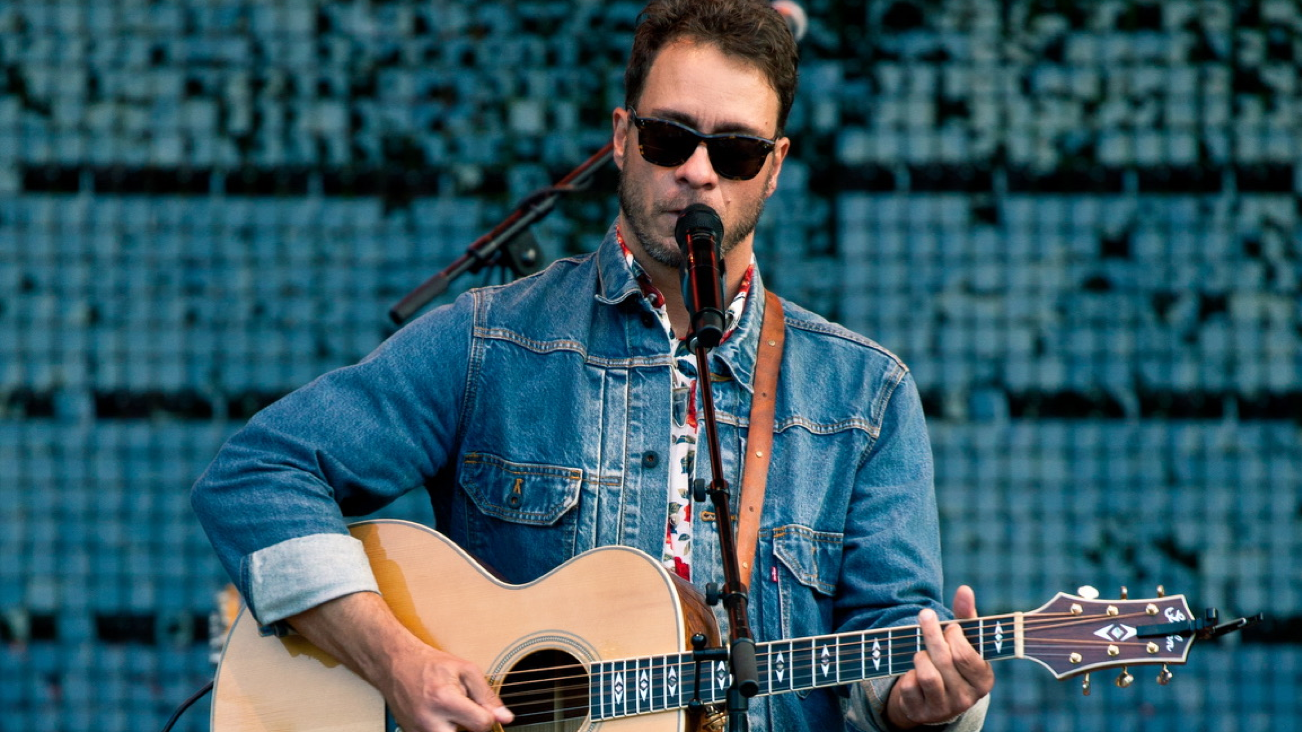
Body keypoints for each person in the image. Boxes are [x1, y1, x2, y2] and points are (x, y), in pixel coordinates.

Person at [192, 1, 994, 730]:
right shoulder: (490, 343)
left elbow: (891, 644)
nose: (698, 171)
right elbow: (256, 476)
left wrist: (921, 706)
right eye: (669, 138)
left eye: (736, 151)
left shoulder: (866, 395)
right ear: (621, 137)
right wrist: (395, 661)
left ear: (775, 167)